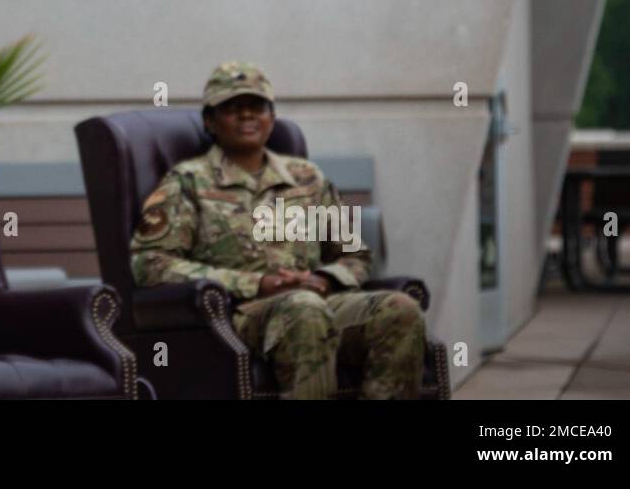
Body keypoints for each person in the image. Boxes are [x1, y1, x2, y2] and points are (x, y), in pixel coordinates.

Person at [130, 61, 426, 399]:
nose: (246, 115)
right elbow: (151, 263)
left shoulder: (308, 178)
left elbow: (354, 253)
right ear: (210, 121)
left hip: (319, 301)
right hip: (239, 316)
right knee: (304, 309)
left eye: (257, 106)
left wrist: (326, 279)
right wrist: (256, 283)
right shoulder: (187, 182)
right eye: (232, 107)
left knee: (400, 309)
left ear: (272, 118)